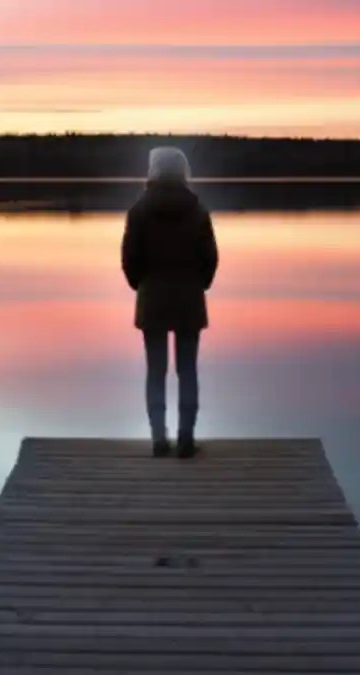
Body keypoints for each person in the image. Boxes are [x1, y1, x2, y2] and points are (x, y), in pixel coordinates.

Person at [121, 147, 219, 459]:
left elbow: (129, 260)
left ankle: (158, 440)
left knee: (156, 372)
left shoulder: (138, 211)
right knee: (187, 371)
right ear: (182, 172)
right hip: (189, 298)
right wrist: (199, 284)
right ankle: (186, 440)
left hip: (153, 300)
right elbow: (210, 259)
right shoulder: (198, 210)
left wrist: (142, 285)